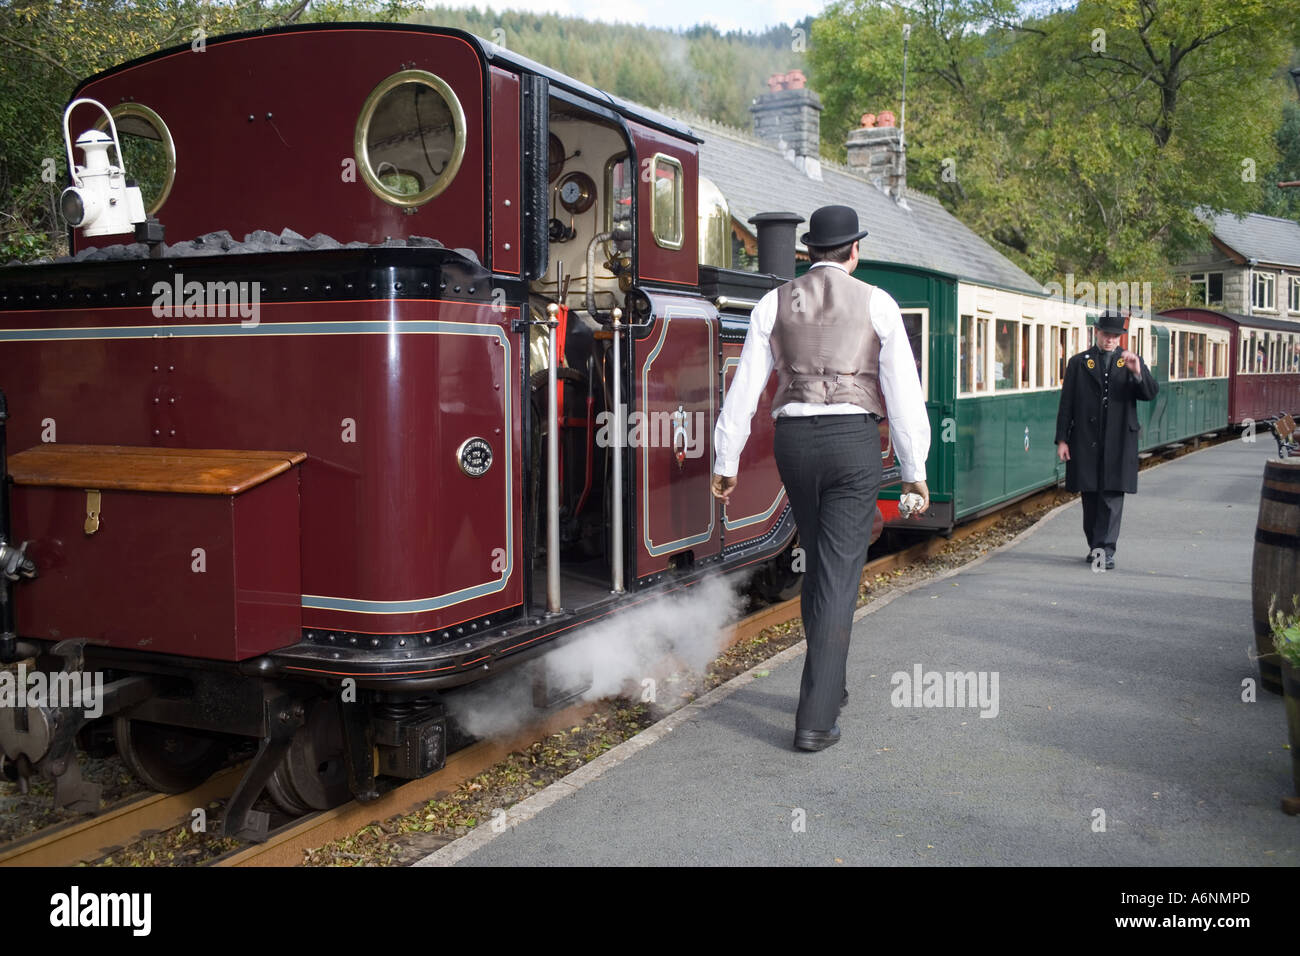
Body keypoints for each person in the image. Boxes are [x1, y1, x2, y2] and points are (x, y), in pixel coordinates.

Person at [710, 205, 931, 752]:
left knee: (818, 563)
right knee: (838, 575)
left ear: (810, 252)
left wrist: (726, 459)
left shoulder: (772, 302)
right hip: (851, 444)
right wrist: (914, 472)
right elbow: (904, 394)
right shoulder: (878, 302)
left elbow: (745, 388)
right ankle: (814, 720)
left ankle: (832, 684)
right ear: (854, 251)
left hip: (795, 445)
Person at [1054, 309, 1158, 570]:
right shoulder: (1079, 362)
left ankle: (1105, 550)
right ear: (1096, 333)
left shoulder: (1131, 361)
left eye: (1115, 336)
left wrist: (1138, 372)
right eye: (1106, 334)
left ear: (1120, 337)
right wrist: (1062, 440)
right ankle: (1094, 545)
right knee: (1090, 496)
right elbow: (1066, 403)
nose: (1110, 340)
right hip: (1085, 439)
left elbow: (1149, 393)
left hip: (1120, 439)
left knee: (1112, 496)